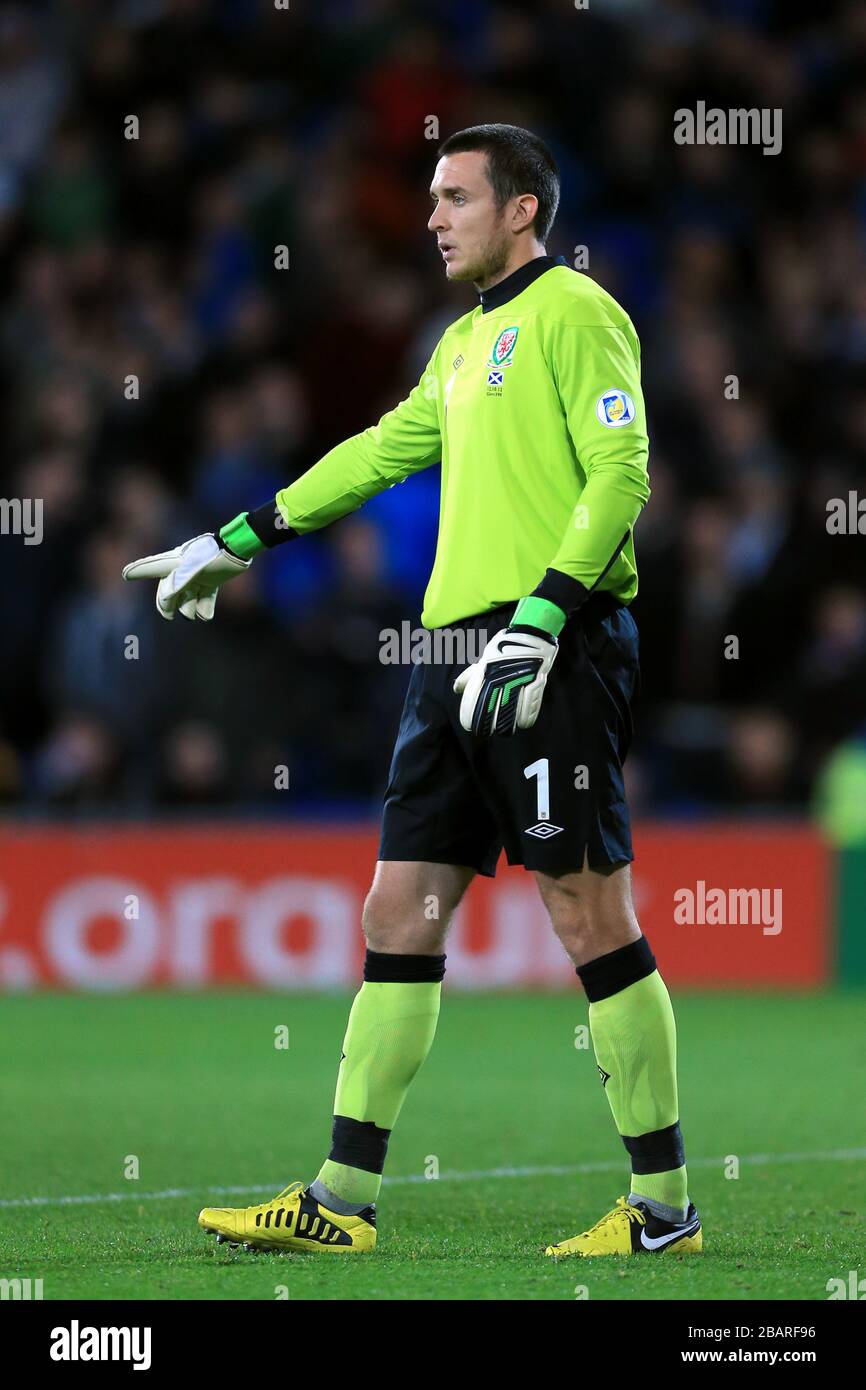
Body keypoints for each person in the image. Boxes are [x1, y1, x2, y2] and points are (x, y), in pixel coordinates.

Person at [125, 124, 701, 1259]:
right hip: (450, 659)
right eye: (432, 198)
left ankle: (663, 1210)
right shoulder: (457, 344)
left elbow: (621, 472)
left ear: (521, 209)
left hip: (556, 642)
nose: (430, 217)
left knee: (586, 914)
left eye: (453, 197)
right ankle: (340, 1203)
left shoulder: (577, 313)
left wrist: (539, 618)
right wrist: (241, 535)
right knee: (397, 911)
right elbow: (383, 449)